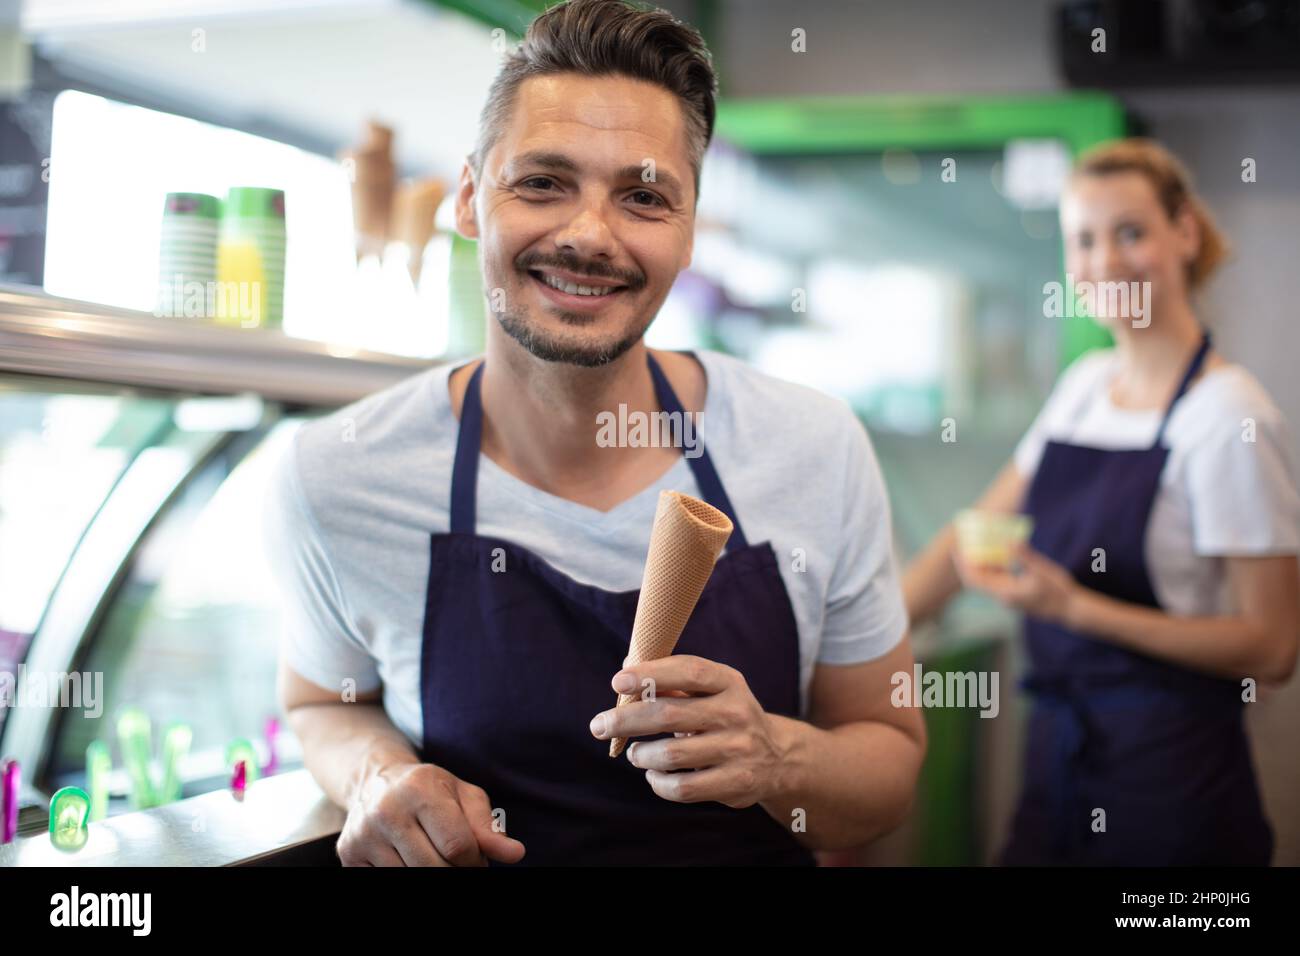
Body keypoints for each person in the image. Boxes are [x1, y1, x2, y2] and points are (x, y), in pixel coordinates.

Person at [265, 0, 924, 867]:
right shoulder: (336, 474)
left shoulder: (814, 446)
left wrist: (777, 757)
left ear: (688, 231)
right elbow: (322, 706)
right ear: (469, 199)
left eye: (644, 196)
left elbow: (887, 763)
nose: (588, 236)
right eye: (542, 183)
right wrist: (376, 775)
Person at [905, 138, 1300, 865]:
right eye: (1083, 240)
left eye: (1131, 233)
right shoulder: (1084, 386)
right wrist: (859, 639)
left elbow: (1273, 647)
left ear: (1183, 233)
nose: (1106, 262)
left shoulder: (1226, 416)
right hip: (1058, 761)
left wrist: (1077, 609)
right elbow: (977, 535)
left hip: (1171, 783)